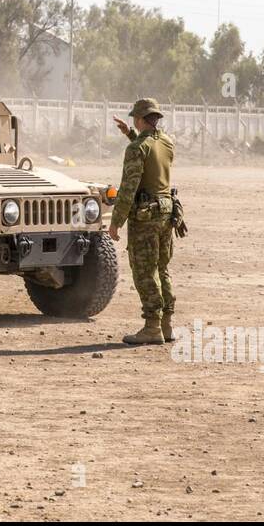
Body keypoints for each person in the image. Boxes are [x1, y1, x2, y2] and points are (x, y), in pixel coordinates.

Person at [109, 98, 176, 346]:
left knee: (144, 272)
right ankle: (167, 324)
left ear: (139, 119)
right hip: (167, 213)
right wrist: (130, 134)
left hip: (145, 217)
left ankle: (151, 327)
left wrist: (116, 221)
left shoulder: (136, 149)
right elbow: (150, 151)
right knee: (162, 267)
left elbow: (129, 188)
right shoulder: (167, 143)